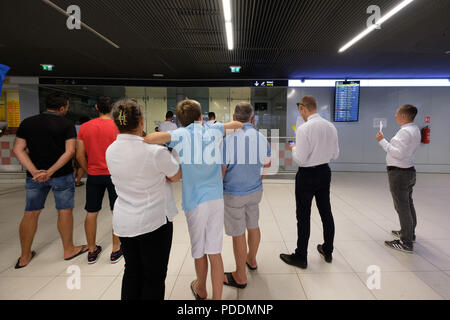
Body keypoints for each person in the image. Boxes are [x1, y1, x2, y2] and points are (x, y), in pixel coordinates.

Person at [144, 99, 243, 300]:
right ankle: (217, 300)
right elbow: (238, 125)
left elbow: (150, 139)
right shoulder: (213, 130)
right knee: (215, 251)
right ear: (201, 116)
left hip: (195, 202)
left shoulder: (180, 134)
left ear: (180, 120)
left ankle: (201, 289)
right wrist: (214, 126)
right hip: (216, 199)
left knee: (199, 250)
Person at [106, 99, 181, 300]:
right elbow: (175, 175)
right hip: (154, 222)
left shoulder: (110, 150)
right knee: (154, 277)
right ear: (141, 122)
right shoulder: (155, 151)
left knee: (132, 271)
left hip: (124, 222)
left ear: (117, 124)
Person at [12, 93, 88, 268]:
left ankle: (24, 256)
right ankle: (68, 249)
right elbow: (69, 151)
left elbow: (18, 149)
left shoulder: (27, 123)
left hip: (35, 177)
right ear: (62, 108)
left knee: (31, 212)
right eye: (67, 107)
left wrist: (35, 172)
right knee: (64, 211)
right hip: (61, 175)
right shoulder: (66, 124)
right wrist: (51, 171)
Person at [280, 96, 339, 269]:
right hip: (324, 172)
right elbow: (335, 155)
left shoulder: (304, 128)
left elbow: (300, 159)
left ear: (303, 109)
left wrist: (293, 148)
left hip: (307, 175)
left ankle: (301, 256)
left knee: (303, 216)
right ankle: (328, 250)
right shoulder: (331, 126)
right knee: (326, 212)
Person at [221, 102, 271, 289]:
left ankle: (240, 275)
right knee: (253, 225)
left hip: (234, 194)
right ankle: (252, 260)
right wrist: (259, 180)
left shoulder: (228, 140)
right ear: (252, 119)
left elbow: (223, 170)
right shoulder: (261, 138)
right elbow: (267, 164)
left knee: (238, 233)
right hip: (255, 190)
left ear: (234, 118)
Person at [76, 96, 122, 264]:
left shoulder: (85, 128)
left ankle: (92, 250)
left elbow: (79, 154)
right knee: (116, 211)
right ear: (114, 108)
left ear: (96, 107)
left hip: (94, 175)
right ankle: (116, 249)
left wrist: (89, 170)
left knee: (91, 212)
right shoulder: (118, 127)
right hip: (114, 175)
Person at [376, 104, 421, 253]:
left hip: (399, 173)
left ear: (403, 116)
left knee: (402, 207)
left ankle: (406, 242)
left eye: (397, 113)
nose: (395, 115)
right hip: (409, 171)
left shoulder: (405, 132)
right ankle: (409, 233)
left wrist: (382, 141)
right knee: (408, 204)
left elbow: (398, 153)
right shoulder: (414, 130)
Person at [74, 116, 90, 187]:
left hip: (73, 147)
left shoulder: (75, 127)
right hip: (82, 148)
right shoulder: (87, 128)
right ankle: (77, 182)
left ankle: (72, 182)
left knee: (74, 166)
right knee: (81, 166)